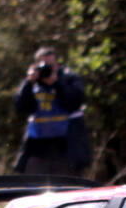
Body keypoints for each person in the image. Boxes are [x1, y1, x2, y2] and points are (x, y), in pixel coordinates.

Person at [12, 46, 90, 177]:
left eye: (51, 65)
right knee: (34, 188)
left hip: (66, 148)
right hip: (37, 148)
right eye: (43, 65)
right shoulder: (32, 83)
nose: (46, 69)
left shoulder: (69, 77)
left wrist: (56, 83)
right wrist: (28, 82)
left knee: (67, 189)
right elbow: (20, 107)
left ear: (57, 64)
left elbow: (75, 102)